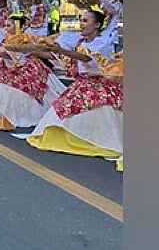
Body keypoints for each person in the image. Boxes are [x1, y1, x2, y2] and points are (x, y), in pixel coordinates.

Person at [22, 8, 123, 158]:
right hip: (82, 82)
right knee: (66, 107)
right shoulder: (79, 41)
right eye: (81, 20)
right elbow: (59, 57)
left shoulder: (103, 42)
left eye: (85, 21)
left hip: (100, 84)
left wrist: (62, 51)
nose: (81, 24)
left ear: (96, 25)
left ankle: (94, 140)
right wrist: (32, 51)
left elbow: (86, 58)